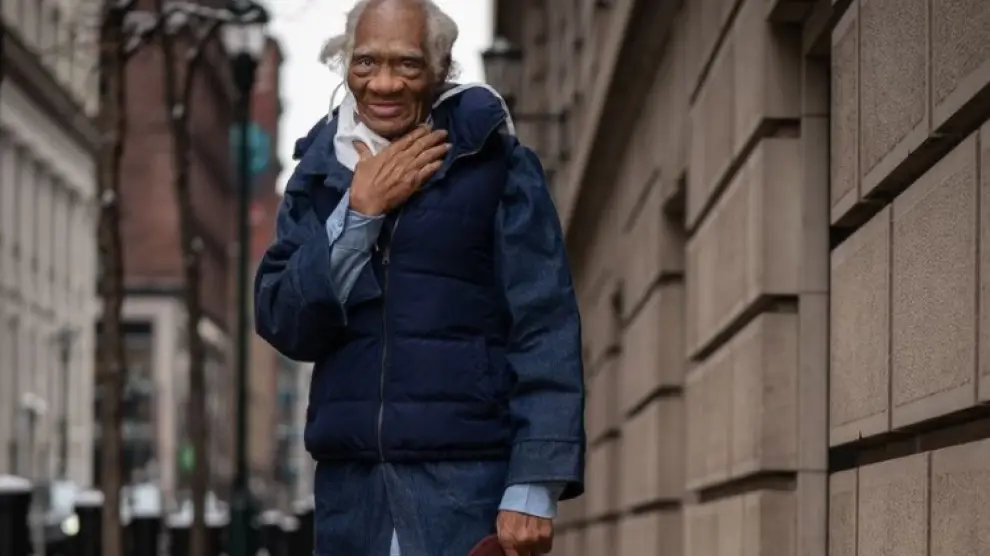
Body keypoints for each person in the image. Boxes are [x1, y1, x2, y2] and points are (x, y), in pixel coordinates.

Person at [253, 0, 585, 554]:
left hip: (465, 493)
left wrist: (533, 485)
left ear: (439, 67)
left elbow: (545, 324)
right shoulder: (316, 172)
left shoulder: (494, 162)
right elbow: (282, 320)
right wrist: (359, 213)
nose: (383, 83)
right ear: (344, 66)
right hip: (349, 500)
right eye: (365, 63)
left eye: (405, 64)